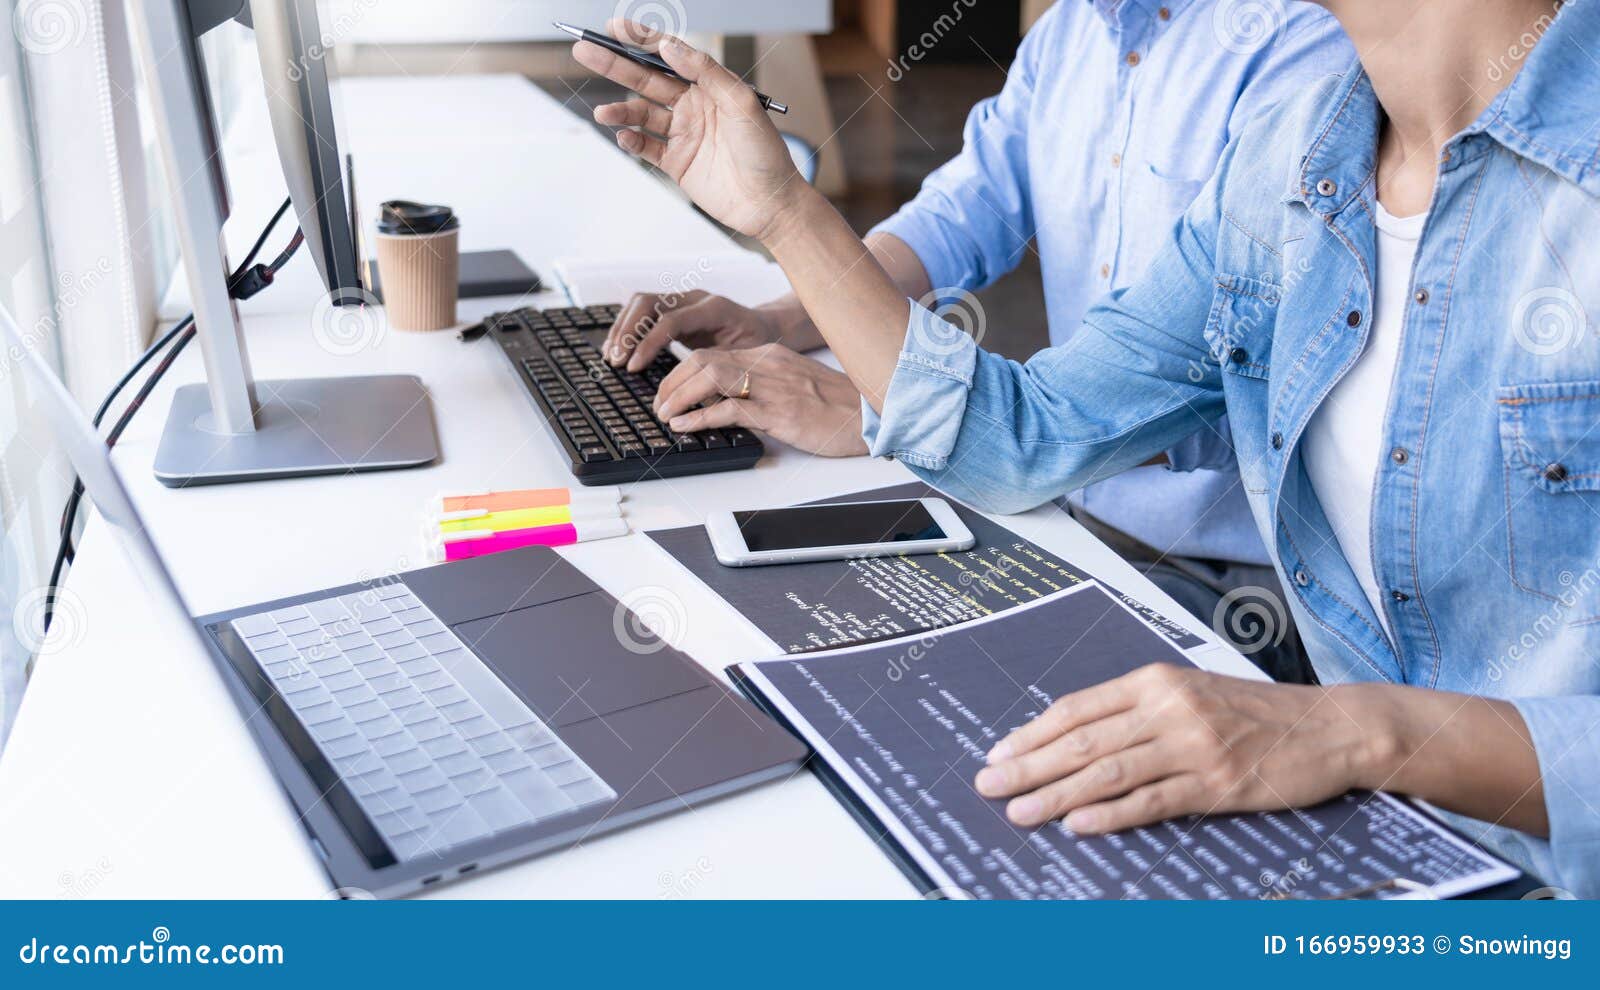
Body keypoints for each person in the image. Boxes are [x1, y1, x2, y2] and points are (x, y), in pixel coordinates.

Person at [574, 0, 1600, 896]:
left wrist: (1356, 731)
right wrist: (783, 216)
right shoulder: (1297, 152)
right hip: (1394, 851)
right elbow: (1027, 437)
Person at [600, 3, 1352, 685]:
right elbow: (966, 210)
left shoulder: (1300, 54)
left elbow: (1260, 402)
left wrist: (900, 406)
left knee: (897, 681)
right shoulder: (1069, 34)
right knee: (782, 631)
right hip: (1062, 507)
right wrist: (787, 316)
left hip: (1242, 586)